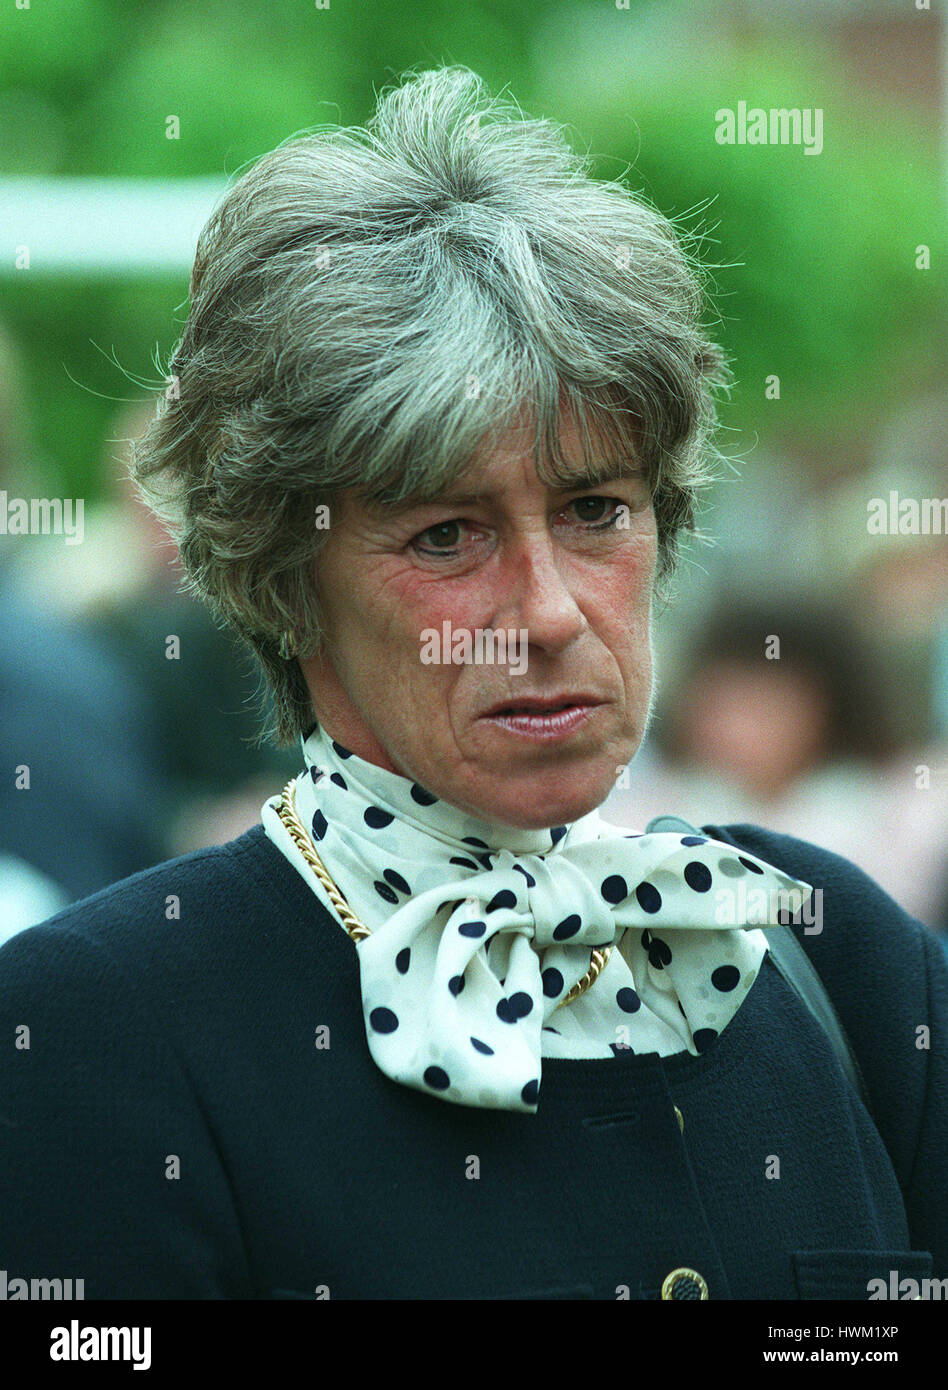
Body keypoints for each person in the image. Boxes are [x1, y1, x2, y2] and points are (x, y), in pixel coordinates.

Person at [0, 66, 944, 1302]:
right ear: (287, 578)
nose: (549, 611)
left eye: (598, 508)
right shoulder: (98, 1032)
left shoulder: (839, 956)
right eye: (447, 533)